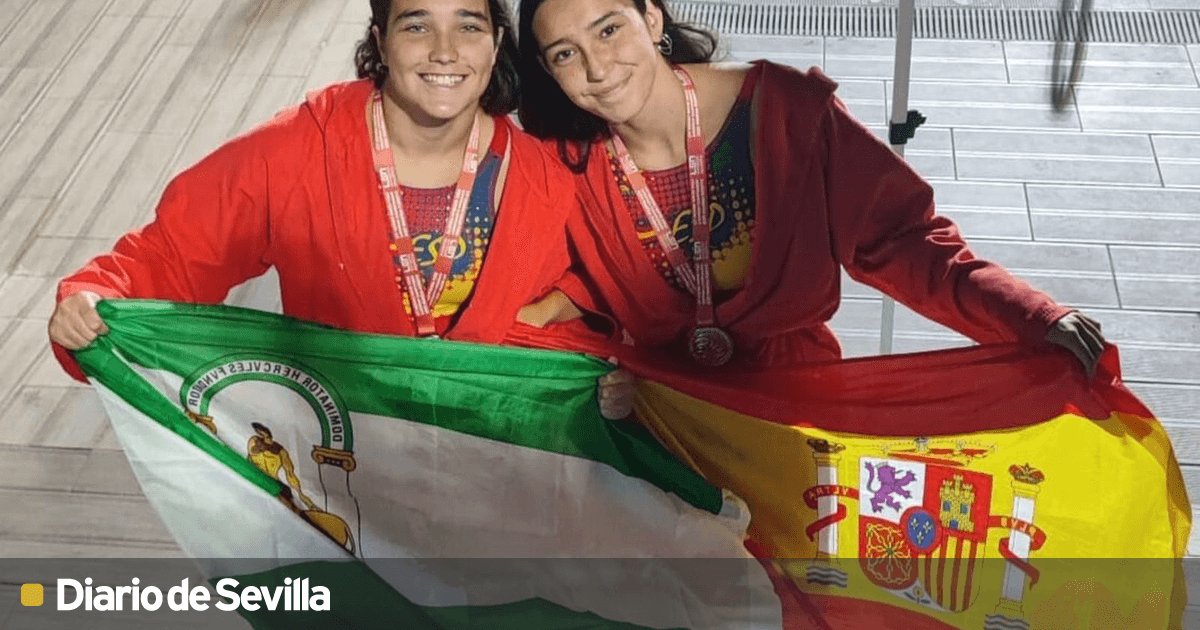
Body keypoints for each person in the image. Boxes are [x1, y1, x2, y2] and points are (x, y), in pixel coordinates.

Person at [48, 0, 631, 418]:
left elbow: (596, 291)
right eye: (417, 24)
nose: (445, 51)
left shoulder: (545, 174)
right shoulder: (299, 151)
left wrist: (585, 356)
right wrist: (96, 300)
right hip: (345, 446)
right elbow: (172, 253)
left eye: (469, 25)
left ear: (496, 44)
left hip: (497, 453)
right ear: (380, 41)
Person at [516, 0, 1106, 374]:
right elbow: (585, 272)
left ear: (651, 18)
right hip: (664, 409)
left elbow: (903, 241)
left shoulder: (785, 112)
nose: (596, 67)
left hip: (798, 399)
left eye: (609, 29)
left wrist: (1032, 314)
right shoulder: (568, 161)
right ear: (548, 69)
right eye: (567, 53)